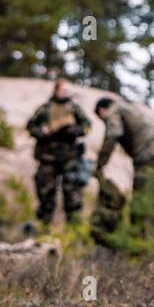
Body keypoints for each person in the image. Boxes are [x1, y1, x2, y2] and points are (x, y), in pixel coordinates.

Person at [91, 96, 154, 245]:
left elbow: (113, 134)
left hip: (149, 158)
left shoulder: (113, 111)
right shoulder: (131, 108)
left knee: (139, 207)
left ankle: (137, 247)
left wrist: (100, 164)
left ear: (102, 111)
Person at [26, 79, 91, 227]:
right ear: (56, 90)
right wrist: (42, 132)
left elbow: (87, 126)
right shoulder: (44, 108)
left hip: (70, 157)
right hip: (48, 157)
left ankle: (74, 229)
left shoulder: (75, 108)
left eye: (68, 90)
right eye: (63, 90)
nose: (65, 93)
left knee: (73, 193)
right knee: (45, 193)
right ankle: (44, 227)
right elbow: (30, 126)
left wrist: (75, 130)